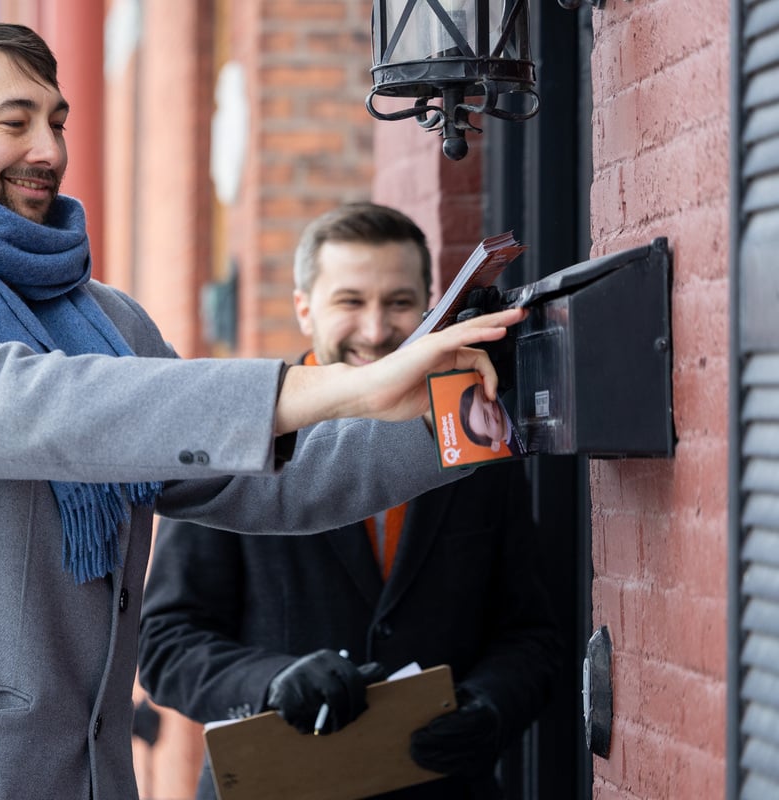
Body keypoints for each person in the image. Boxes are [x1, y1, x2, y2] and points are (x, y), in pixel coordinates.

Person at [0, 23, 525, 800]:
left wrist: (483, 409)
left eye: (57, 121)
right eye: (14, 120)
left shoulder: (105, 320)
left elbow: (272, 478)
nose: (50, 150)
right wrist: (337, 386)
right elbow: (35, 409)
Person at [137, 203, 561, 800]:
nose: (374, 329)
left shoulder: (474, 433)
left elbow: (531, 633)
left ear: (430, 304)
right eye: (350, 302)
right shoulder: (241, 437)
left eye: (398, 302)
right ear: (304, 308)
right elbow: (164, 645)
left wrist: (491, 708)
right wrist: (272, 681)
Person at [458, 381, 522, 455]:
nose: (489, 405)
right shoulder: (519, 450)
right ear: (494, 445)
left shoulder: (511, 388)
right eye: (487, 418)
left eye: (484, 396)